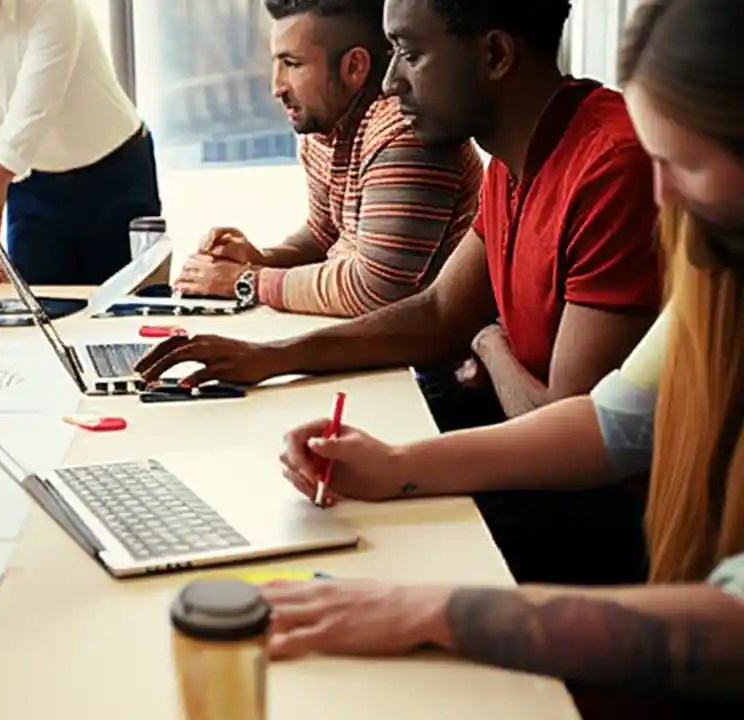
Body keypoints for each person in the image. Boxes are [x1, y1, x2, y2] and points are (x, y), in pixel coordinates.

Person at [263, 3, 744, 713]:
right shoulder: (716, 274)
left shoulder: (611, 165)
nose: (661, 196)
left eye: (684, 164)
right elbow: (611, 424)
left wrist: (438, 612)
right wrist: (398, 466)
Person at [140, 0, 663, 584]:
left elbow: (571, 426)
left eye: (410, 55)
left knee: (323, 547)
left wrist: (488, 341)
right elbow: (440, 311)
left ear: (494, 55)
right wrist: (270, 358)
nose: (390, 83)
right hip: (523, 467)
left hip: (587, 524)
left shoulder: (609, 164)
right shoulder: (517, 158)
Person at [173, 0, 482, 318]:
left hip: (430, 356)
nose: (276, 86)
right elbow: (323, 234)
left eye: (292, 64)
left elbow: (376, 290)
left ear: (354, 67)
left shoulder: (404, 132)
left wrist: (246, 281)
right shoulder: (324, 128)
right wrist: (262, 259)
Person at [0, 0, 161, 287]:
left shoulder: (54, 6)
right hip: (31, 183)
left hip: (114, 175)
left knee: (124, 315)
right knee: (37, 314)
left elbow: (24, 130)